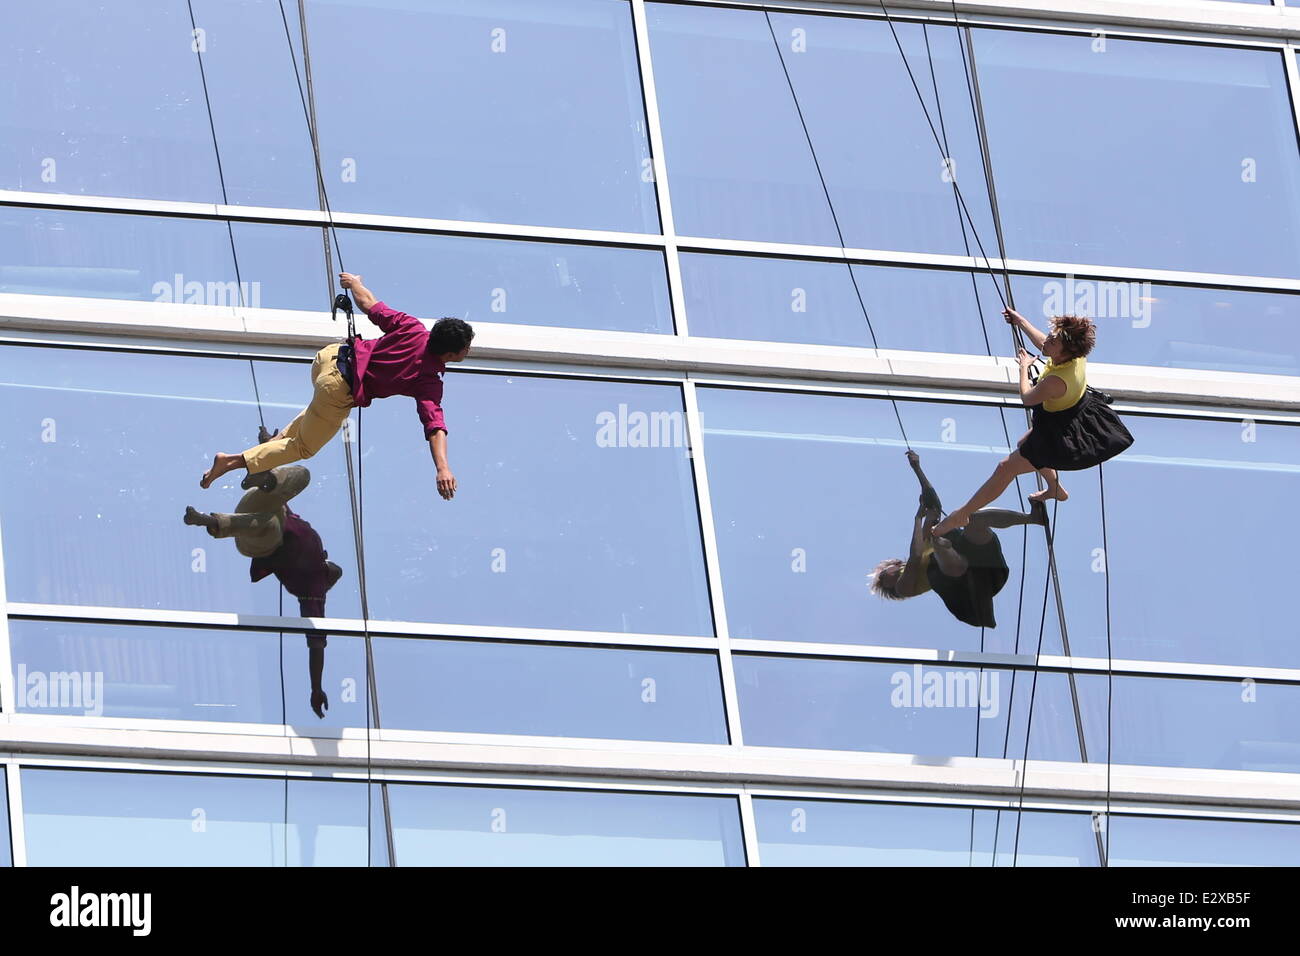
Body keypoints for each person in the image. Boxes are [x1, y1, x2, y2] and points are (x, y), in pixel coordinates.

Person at [199, 273, 474, 501]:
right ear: (450, 354)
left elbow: (370, 305)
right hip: (338, 388)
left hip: (329, 357)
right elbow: (434, 425)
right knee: (304, 448)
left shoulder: (413, 328)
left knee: (315, 416)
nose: (468, 351)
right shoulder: (428, 378)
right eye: (466, 348)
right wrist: (443, 468)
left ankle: (272, 444)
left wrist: (354, 283)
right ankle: (231, 461)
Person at [929, 309, 1133, 537]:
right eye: (1051, 335)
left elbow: (1028, 398)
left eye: (1054, 340)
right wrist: (1021, 322)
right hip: (1068, 417)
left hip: (1063, 433)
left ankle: (963, 514)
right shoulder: (1074, 357)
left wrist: (1024, 367)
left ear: (1065, 352)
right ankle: (1055, 489)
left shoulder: (1056, 381)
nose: (1048, 340)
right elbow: (1044, 345)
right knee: (1024, 442)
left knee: (1005, 468)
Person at [184, 448, 340, 718]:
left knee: (265, 523)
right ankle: (261, 477)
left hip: (257, 537)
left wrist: (316, 687)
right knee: (302, 476)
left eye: (331, 570)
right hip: (261, 504)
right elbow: (287, 492)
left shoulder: (313, 591)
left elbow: (316, 643)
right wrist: (270, 447)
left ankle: (210, 521)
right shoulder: (309, 537)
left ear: (326, 576)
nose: (329, 564)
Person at [869, 451, 1046, 629]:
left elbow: (934, 506)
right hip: (965, 586)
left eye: (884, 572)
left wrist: (917, 468)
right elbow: (914, 558)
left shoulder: (922, 547)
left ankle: (1033, 518)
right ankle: (944, 547)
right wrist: (918, 519)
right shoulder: (902, 588)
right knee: (937, 543)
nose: (887, 573)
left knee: (972, 518)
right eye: (884, 577)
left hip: (980, 564)